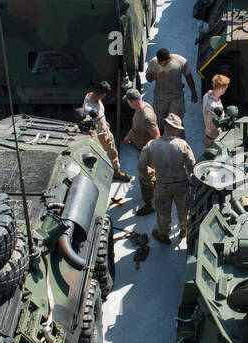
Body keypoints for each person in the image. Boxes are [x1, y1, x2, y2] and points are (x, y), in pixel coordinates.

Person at [138, 114, 197, 245]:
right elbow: (192, 167)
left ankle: (164, 234)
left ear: (164, 126)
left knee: (163, 212)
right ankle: (183, 230)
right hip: (181, 184)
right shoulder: (182, 145)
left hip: (162, 185)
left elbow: (141, 165)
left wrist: (149, 177)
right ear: (177, 129)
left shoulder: (151, 145)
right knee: (183, 209)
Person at [82, 81, 131, 181]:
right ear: (102, 94)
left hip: (105, 130)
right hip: (98, 135)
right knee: (102, 156)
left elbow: (99, 113)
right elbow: (89, 127)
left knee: (112, 152)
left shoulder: (92, 95)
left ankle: (116, 172)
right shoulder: (89, 109)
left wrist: (104, 121)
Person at [124, 87, 160, 215]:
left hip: (146, 153)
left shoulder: (146, 117)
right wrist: (129, 136)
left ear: (132, 102)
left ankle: (151, 205)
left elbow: (157, 137)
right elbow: (135, 126)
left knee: (146, 179)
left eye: (128, 101)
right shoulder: (140, 109)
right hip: (141, 150)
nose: (127, 103)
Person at [144, 47, 198, 132]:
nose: (161, 64)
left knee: (175, 122)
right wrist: (151, 77)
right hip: (160, 96)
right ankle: (161, 138)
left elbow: (188, 77)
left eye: (163, 63)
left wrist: (193, 92)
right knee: (159, 120)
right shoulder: (154, 62)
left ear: (169, 58)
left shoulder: (181, 61)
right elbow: (148, 78)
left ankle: (177, 141)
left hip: (176, 96)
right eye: (159, 62)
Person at [202, 73, 230, 147]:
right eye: (225, 88)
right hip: (214, 141)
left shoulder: (206, 96)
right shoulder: (214, 107)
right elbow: (215, 126)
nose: (226, 89)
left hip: (208, 138)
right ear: (221, 89)